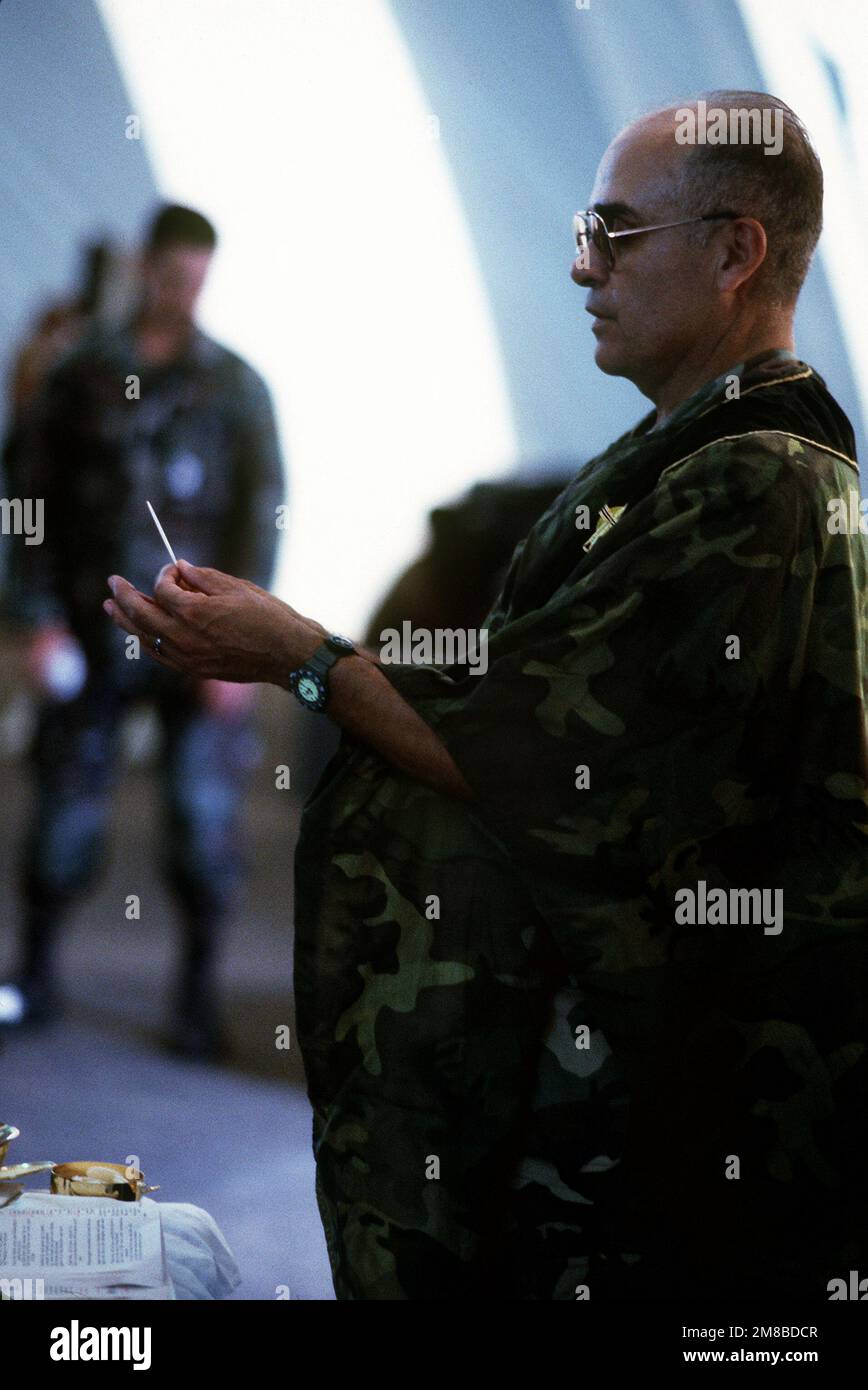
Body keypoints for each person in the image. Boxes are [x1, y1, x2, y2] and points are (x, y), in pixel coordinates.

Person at [103, 92, 867, 1298]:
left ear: (735, 253)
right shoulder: (699, 459)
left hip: (657, 1108)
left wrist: (301, 653)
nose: (580, 266)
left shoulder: (754, 485)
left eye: (614, 234)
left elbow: (536, 755)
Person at [1, 204, 284, 1061]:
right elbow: (26, 501)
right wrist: (33, 619)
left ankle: (195, 995)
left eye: (197, 278)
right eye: (172, 275)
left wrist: (246, 645)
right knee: (64, 812)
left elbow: (258, 516)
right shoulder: (78, 372)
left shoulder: (234, 384)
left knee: (203, 823)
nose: (182, 293)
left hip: (195, 631)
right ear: (147, 268)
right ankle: (36, 972)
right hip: (91, 630)